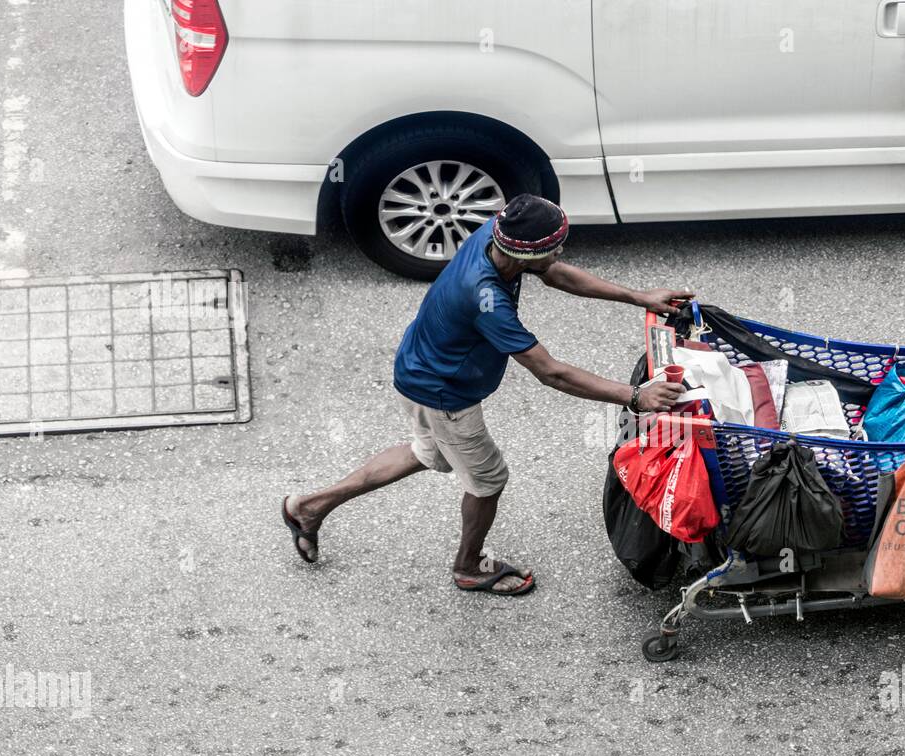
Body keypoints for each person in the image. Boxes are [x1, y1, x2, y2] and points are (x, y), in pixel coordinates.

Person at [282, 194, 689, 595]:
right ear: (526, 256)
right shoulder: (486, 299)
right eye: (555, 246)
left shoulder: (497, 236)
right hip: (445, 395)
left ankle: (309, 507)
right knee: (488, 480)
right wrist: (635, 396)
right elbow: (552, 373)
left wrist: (638, 297)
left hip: (419, 370)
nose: (561, 251)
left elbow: (554, 271)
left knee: (428, 453)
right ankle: (469, 567)